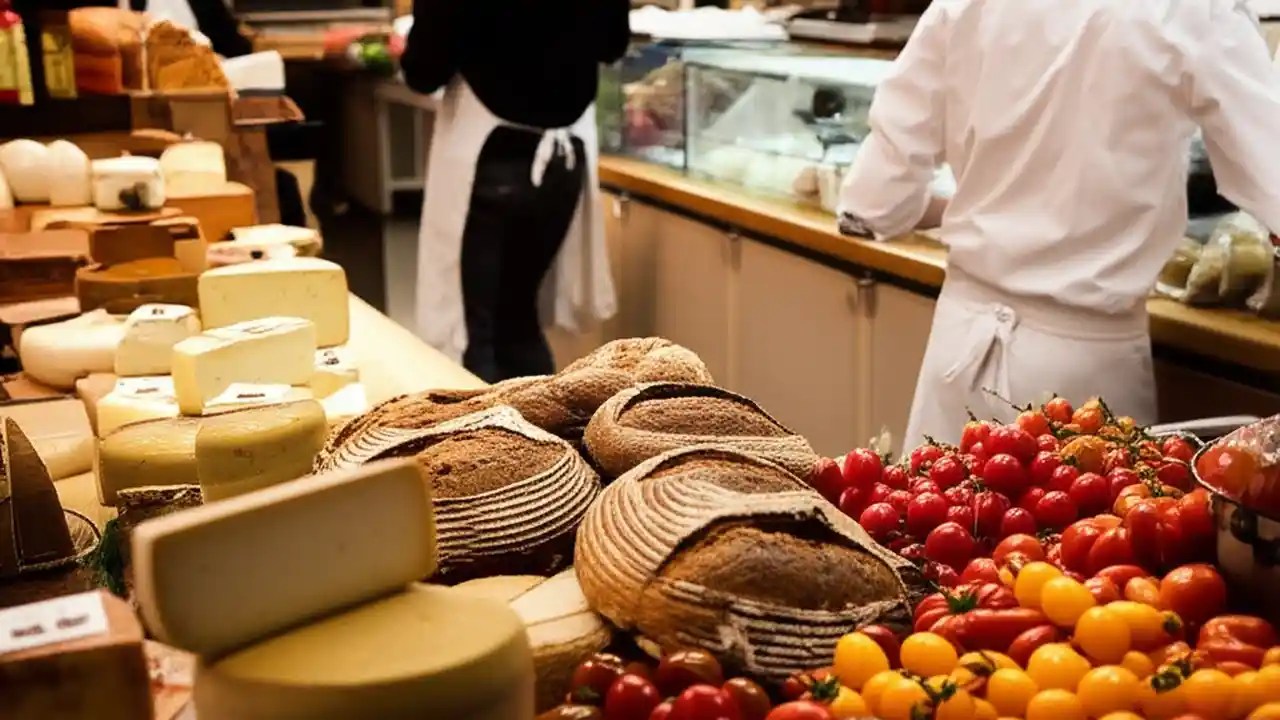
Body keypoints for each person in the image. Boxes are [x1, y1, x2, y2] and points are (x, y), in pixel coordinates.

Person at [837, 0, 1280, 446]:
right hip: (1084, 378)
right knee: (1088, 517)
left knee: (931, 515)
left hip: (958, 348)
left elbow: (874, 203)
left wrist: (986, 207)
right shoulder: (1197, 9)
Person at [401, 0, 628, 383]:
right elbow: (612, 43)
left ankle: (488, 440)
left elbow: (424, 70)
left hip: (489, 155)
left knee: (475, 335)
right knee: (520, 320)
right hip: (563, 158)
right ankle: (541, 437)